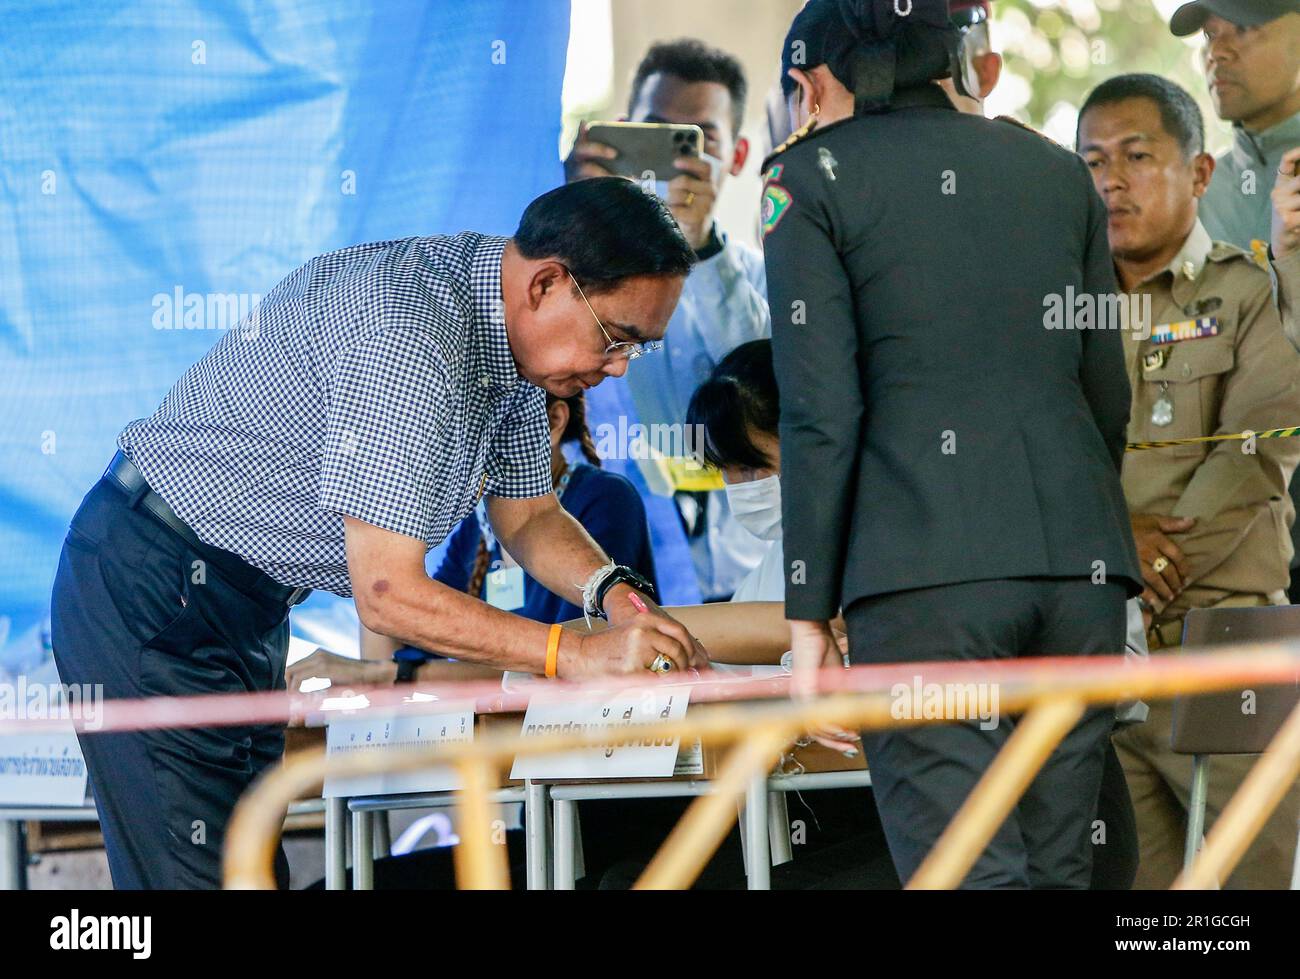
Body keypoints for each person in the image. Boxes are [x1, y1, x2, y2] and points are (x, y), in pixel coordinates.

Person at [49, 176, 710, 890]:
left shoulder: (514, 347)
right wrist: (575, 656)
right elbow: (389, 594)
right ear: (546, 283)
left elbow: (531, 515)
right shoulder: (411, 336)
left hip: (246, 598)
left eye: (636, 350)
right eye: (618, 338)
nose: (617, 369)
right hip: (155, 585)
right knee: (197, 878)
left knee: (243, 868)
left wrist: (617, 597)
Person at [763, 0, 1142, 889]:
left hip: (924, 576)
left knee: (969, 872)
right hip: (1081, 572)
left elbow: (822, 413)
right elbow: (1107, 393)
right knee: (1057, 871)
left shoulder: (803, 181)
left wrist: (808, 616)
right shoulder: (1054, 170)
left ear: (810, 84)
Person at [1077, 73, 1300, 888]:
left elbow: (1257, 448)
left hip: (1232, 641)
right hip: (1109, 651)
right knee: (1139, 897)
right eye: (1094, 161)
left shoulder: (1253, 291)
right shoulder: (1061, 310)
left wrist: (1136, 570)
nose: (1111, 180)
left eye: (1137, 156)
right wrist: (1107, 553)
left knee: (1248, 889)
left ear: (1200, 174)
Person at [565, 38, 771, 604]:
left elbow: (768, 395)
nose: (676, 163)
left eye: (697, 141)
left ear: (736, 155)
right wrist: (573, 219)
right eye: (656, 136)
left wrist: (701, 249)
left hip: (746, 583)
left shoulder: (769, 280)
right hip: (608, 578)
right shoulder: (569, 277)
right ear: (622, 135)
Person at [1168, 0, 1300, 598]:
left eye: (1243, 28)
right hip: (1235, 534)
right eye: (1210, 35)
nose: (1217, 50)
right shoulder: (1194, 193)